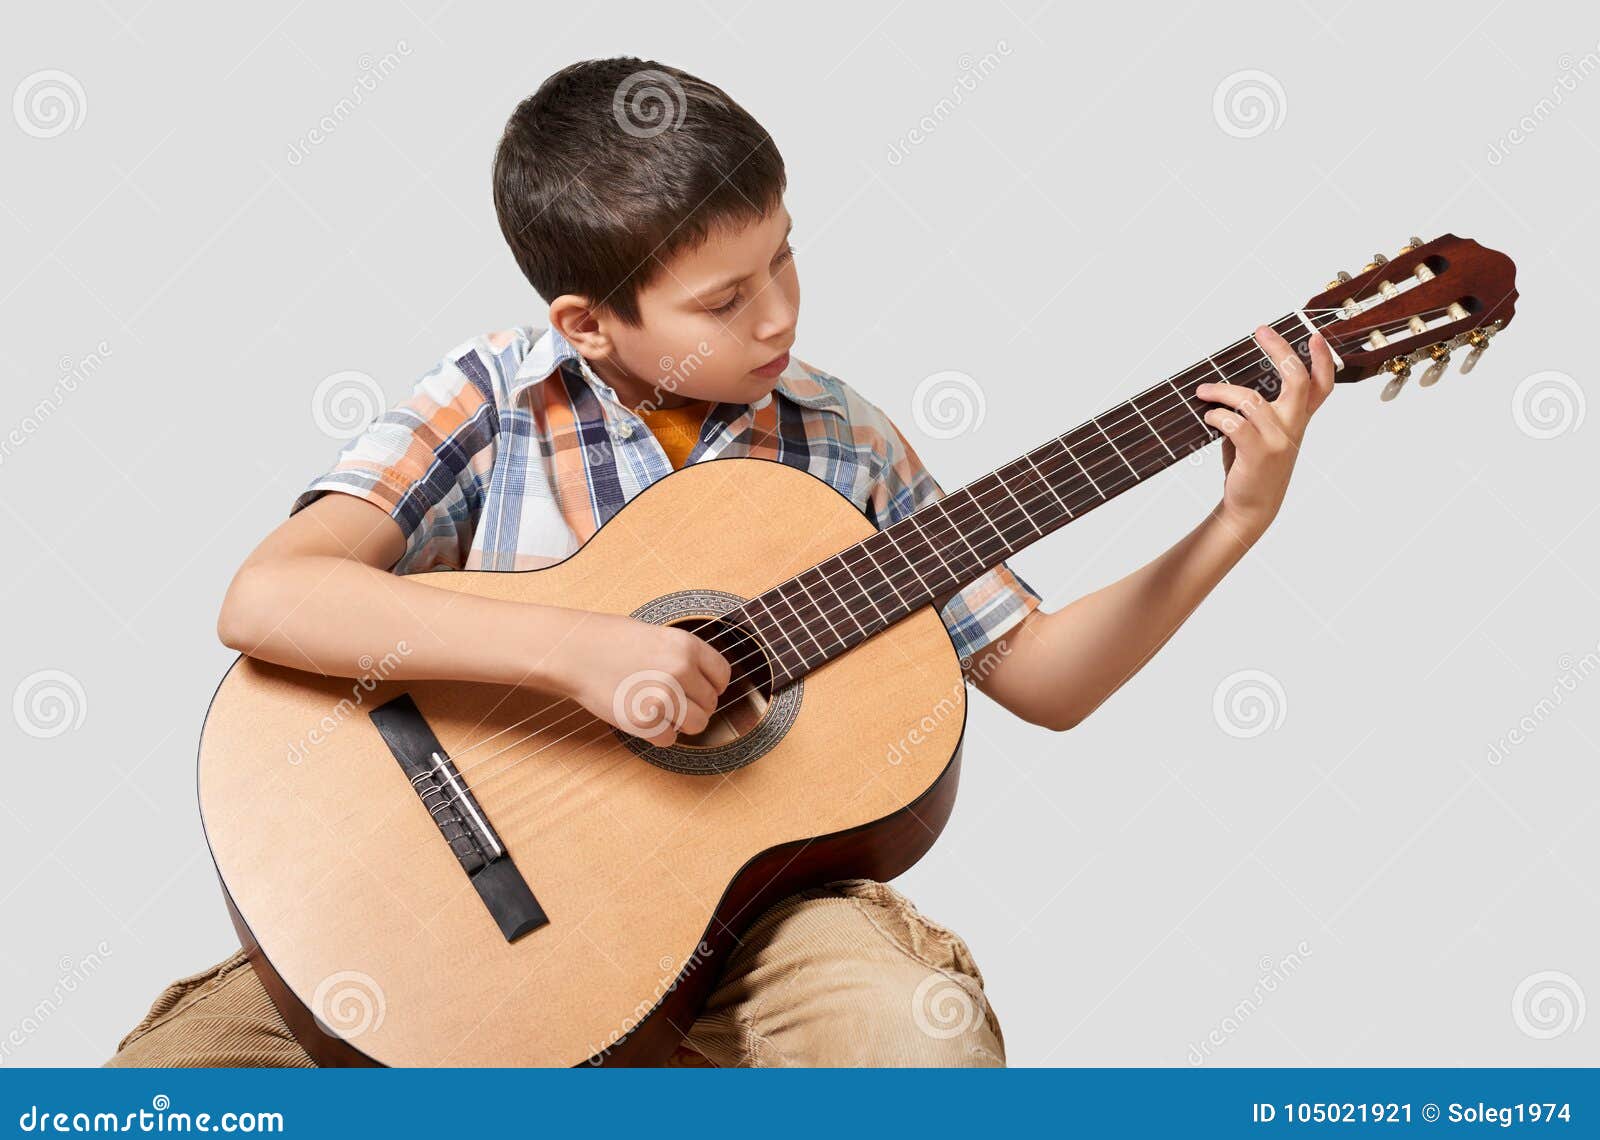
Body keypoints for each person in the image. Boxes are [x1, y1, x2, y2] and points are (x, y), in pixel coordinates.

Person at [107, 57, 1333, 1069]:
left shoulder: (841, 439)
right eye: (721, 300)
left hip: (752, 929)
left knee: (914, 1041)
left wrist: (1230, 525)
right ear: (588, 322)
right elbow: (270, 596)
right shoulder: (491, 399)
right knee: (160, 1096)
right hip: (443, 926)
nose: (778, 315)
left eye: (785, 257)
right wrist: (580, 652)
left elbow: (1044, 677)